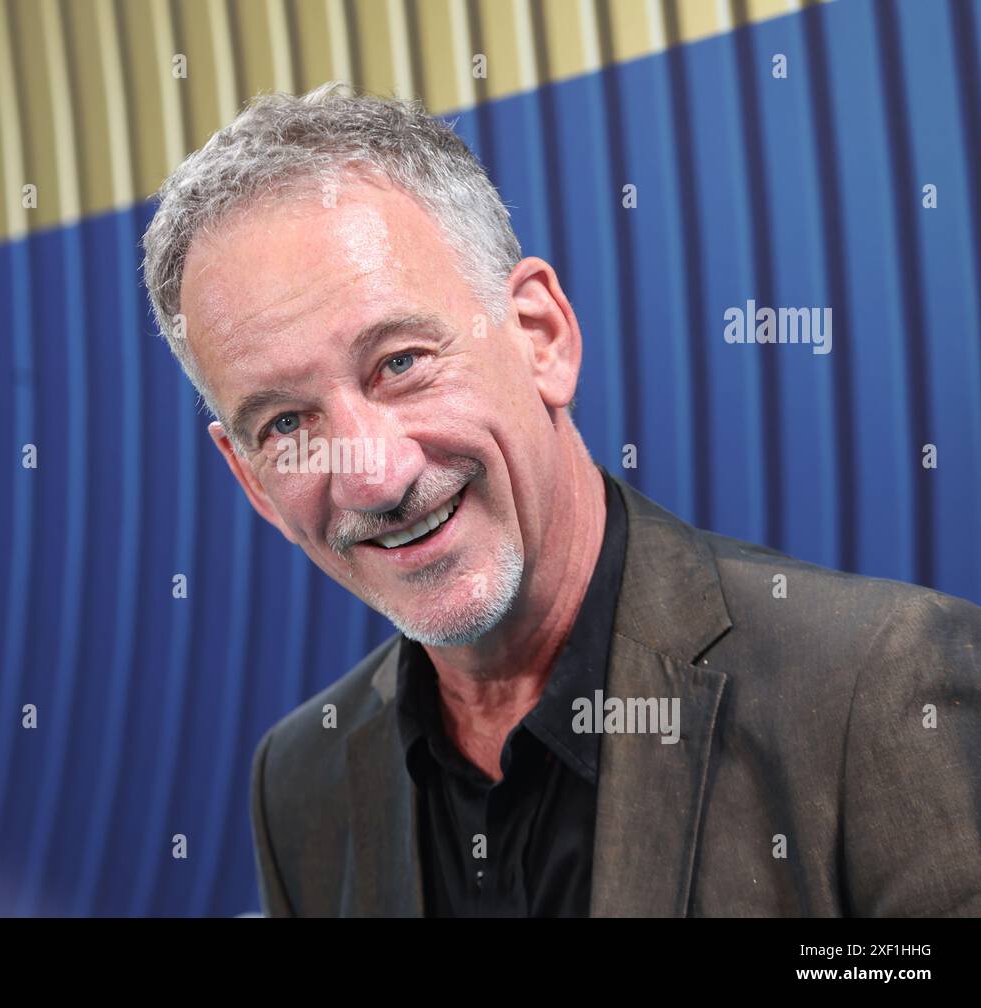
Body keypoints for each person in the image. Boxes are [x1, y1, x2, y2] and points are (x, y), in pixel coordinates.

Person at [141, 82, 981, 916]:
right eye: (287, 422)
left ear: (541, 338)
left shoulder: (874, 688)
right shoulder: (298, 783)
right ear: (251, 479)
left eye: (400, 362)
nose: (377, 478)